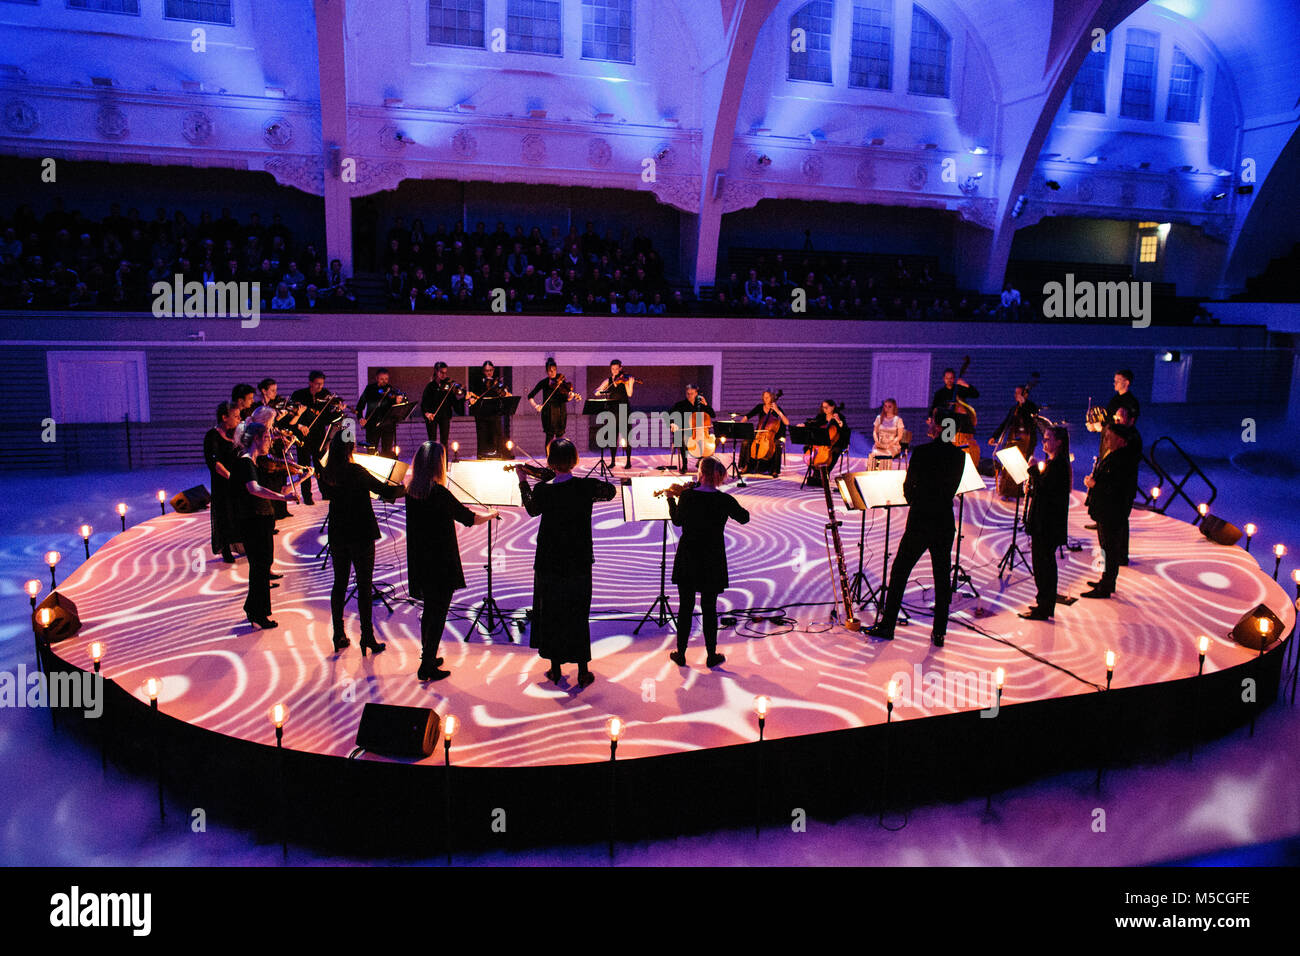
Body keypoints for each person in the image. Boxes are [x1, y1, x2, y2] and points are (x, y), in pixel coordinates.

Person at [516, 439, 617, 686]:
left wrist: (523, 479)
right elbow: (611, 491)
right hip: (578, 559)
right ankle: (583, 670)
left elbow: (531, 508)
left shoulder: (543, 490)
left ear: (551, 462)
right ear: (575, 460)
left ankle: (555, 668)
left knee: (551, 611)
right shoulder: (586, 487)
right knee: (577, 611)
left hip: (549, 560)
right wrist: (557, 476)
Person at [865, 410, 967, 646]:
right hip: (943, 522)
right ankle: (939, 632)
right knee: (942, 578)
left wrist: (917, 499)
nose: (929, 423)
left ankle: (888, 625)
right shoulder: (959, 457)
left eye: (933, 421)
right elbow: (950, 490)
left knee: (900, 572)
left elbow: (908, 489)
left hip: (920, 521)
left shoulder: (922, 453)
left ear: (941, 427)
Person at [405, 441, 498, 680]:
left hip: (421, 561)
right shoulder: (439, 493)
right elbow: (467, 517)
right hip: (440, 563)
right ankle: (427, 667)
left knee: (429, 611)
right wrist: (490, 515)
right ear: (438, 464)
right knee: (437, 614)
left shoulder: (413, 492)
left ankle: (428, 655)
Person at [319, 431, 406, 653]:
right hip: (361, 532)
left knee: (339, 584)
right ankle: (367, 636)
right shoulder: (357, 471)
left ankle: (338, 634)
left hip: (339, 533)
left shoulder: (327, 473)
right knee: (364, 586)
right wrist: (406, 486)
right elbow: (386, 491)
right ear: (350, 449)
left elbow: (327, 494)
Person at [666, 457, 750, 668]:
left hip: (688, 557)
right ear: (718, 476)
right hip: (712, 559)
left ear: (700, 474)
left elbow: (677, 521)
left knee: (685, 607)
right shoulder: (723, 500)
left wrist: (670, 499)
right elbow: (744, 518)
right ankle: (711, 655)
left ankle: (681, 653)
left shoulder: (687, 496)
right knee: (709, 608)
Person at [230, 422, 309, 629]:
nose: (270, 442)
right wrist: (284, 498)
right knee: (259, 567)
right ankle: (257, 613)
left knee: (262, 566)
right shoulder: (245, 463)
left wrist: (301, 479)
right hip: (253, 520)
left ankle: (255, 609)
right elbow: (254, 489)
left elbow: (276, 488)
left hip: (261, 518)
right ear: (256, 438)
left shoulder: (255, 462)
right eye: (266, 437)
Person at [1082, 406, 1141, 599]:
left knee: (1109, 547)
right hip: (1106, 509)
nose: (1106, 440)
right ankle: (1106, 580)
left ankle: (1107, 585)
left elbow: (1115, 488)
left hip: (1111, 510)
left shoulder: (1121, 460)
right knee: (1106, 547)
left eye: (1109, 437)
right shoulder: (1113, 456)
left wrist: (1094, 484)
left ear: (1121, 441)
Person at [1020, 425, 1072, 620]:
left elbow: (1047, 490)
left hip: (1047, 525)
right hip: (1044, 522)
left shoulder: (1058, 465)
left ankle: (1045, 606)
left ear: (1058, 442)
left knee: (1044, 566)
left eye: (1048, 438)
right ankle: (1043, 603)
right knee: (1042, 565)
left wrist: (1033, 471)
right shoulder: (1054, 463)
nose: (1044, 442)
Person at [204, 401, 242, 563]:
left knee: (238, 512)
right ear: (224, 417)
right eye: (236, 416)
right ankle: (226, 548)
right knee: (225, 514)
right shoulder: (212, 436)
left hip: (236, 479)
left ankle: (241, 543)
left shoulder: (236, 433)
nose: (239, 419)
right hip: (223, 483)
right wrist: (230, 477)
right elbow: (215, 462)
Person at [290, 370, 335, 504]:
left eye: (322, 384)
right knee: (304, 465)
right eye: (317, 384)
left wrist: (336, 410)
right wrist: (300, 425)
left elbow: (327, 419)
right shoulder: (299, 395)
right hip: (303, 435)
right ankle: (307, 496)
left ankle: (325, 492)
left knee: (320, 464)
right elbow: (292, 415)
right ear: (310, 383)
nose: (320, 387)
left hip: (318, 434)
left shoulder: (325, 396)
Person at [988, 385, 1040, 498]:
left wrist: (1024, 403)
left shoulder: (1030, 406)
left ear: (1025, 394)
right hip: (1013, 440)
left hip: (1026, 442)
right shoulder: (1014, 408)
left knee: (1021, 467)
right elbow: (1005, 423)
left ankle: (1019, 491)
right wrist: (994, 436)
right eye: (1015, 393)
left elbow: (1033, 416)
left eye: (1019, 393)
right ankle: (1007, 492)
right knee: (1008, 466)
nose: (1016, 395)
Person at [528, 358, 580, 451]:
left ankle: (559, 460)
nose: (552, 373)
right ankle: (549, 460)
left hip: (561, 412)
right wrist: (536, 406)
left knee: (560, 438)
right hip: (548, 413)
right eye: (550, 371)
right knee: (550, 437)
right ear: (547, 371)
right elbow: (530, 396)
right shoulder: (544, 382)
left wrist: (570, 397)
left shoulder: (561, 382)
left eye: (554, 370)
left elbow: (565, 397)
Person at [593, 359, 634, 469]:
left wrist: (630, 383)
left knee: (626, 436)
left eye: (617, 368)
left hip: (624, 410)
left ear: (621, 368)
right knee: (612, 438)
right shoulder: (608, 380)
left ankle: (628, 461)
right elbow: (596, 392)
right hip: (612, 411)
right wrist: (604, 389)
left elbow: (629, 394)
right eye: (613, 369)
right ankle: (612, 461)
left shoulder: (625, 379)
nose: (615, 371)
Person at [667, 383, 716, 474]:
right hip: (685, 432)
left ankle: (701, 461)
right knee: (681, 439)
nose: (689, 396)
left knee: (709, 443)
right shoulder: (680, 405)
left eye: (692, 393)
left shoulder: (701, 405)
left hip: (699, 433)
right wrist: (672, 423)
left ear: (696, 394)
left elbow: (713, 415)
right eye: (688, 394)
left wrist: (706, 404)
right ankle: (684, 465)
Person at [356, 367, 404, 458]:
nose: (384, 382)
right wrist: (360, 418)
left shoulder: (391, 390)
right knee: (371, 451)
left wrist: (398, 401)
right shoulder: (369, 389)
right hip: (372, 424)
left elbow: (395, 408)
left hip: (387, 425)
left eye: (386, 379)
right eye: (382, 379)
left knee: (387, 451)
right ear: (376, 378)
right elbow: (359, 406)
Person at [739, 390, 788, 477]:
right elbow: (748, 415)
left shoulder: (777, 409)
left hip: (772, 436)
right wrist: (740, 423)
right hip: (760, 434)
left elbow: (786, 422)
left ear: (772, 397)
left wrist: (777, 411)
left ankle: (774, 470)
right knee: (746, 442)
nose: (765, 399)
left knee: (777, 445)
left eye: (767, 397)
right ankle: (746, 466)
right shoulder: (760, 407)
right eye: (764, 397)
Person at [469, 360, 511, 458]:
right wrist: (472, 399)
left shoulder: (497, 383)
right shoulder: (478, 383)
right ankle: (481, 457)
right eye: (486, 371)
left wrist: (505, 392)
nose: (489, 373)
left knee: (496, 436)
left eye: (490, 370)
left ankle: (498, 456)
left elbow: (505, 393)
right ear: (483, 371)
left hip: (495, 413)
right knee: (482, 437)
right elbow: (473, 395)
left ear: (493, 370)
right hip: (481, 415)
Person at [802, 400, 849, 487]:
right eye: (823, 407)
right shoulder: (821, 416)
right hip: (821, 443)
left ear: (833, 407)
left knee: (835, 451)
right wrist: (804, 424)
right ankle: (816, 471)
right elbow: (814, 423)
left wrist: (839, 421)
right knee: (807, 448)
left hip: (835, 443)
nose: (825, 409)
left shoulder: (840, 417)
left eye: (827, 407)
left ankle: (825, 473)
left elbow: (845, 431)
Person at [420, 361, 463, 446]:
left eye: (445, 373)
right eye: (441, 372)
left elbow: (454, 402)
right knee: (432, 441)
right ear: (436, 372)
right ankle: (432, 459)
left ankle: (444, 458)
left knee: (444, 441)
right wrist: (427, 413)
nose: (444, 375)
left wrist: (464, 399)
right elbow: (424, 403)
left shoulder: (449, 386)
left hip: (445, 415)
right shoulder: (430, 386)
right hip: (432, 416)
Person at [870, 398, 905, 469]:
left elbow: (899, 436)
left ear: (894, 407)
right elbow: (874, 432)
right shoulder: (879, 418)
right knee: (874, 454)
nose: (887, 408)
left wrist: (890, 444)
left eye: (889, 406)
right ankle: (874, 472)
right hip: (880, 444)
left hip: (893, 445)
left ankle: (885, 473)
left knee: (886, 454)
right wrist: (877, 441)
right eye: (885, 406)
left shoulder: (898, 420)